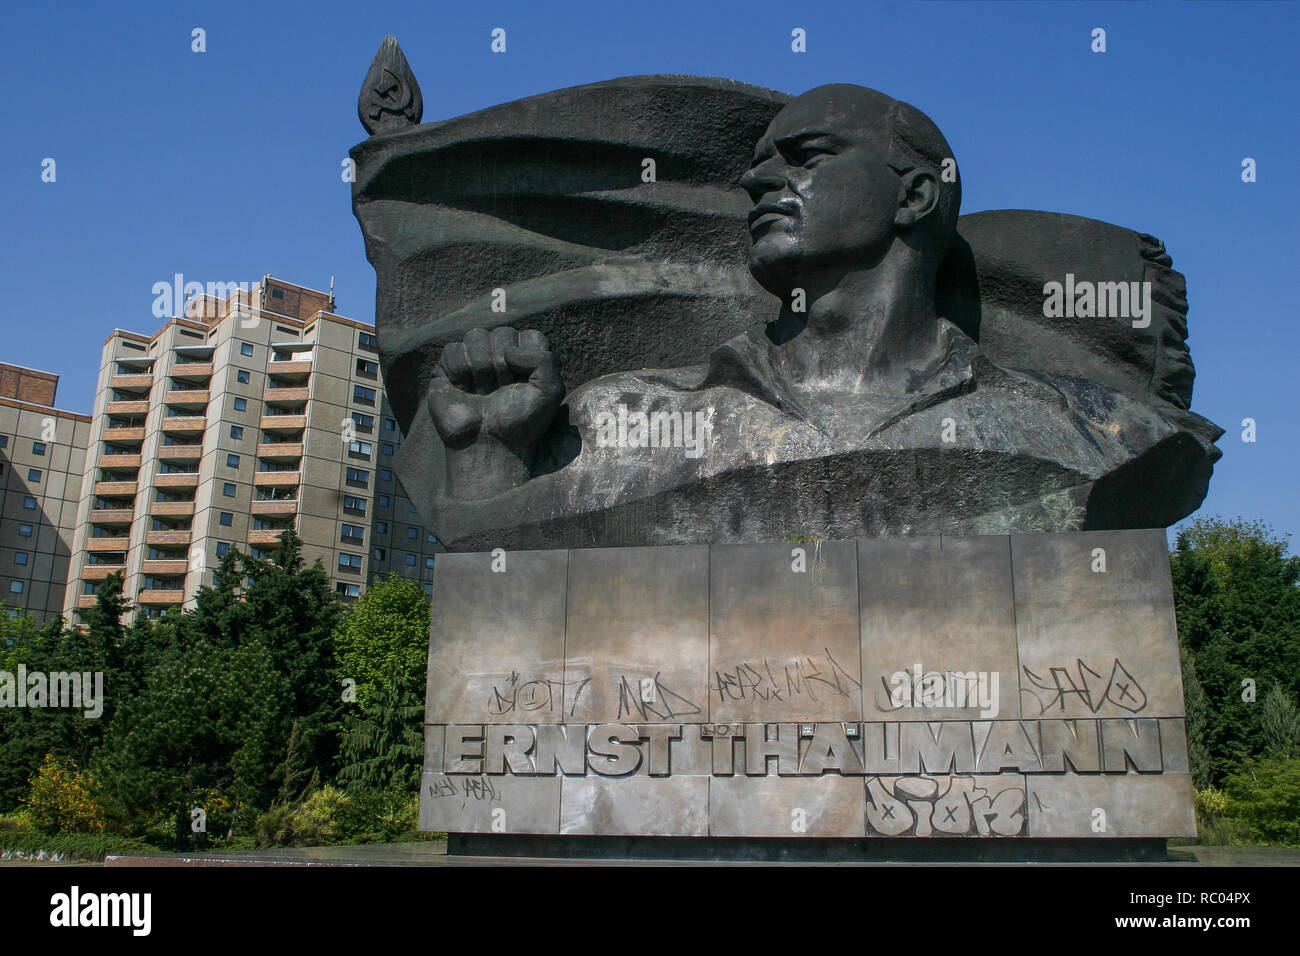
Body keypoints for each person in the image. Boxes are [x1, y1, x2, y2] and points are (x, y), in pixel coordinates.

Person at [422, 84, 1219, 550]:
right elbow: (511, 600)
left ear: (914, 195)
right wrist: (488, 458)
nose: (756, 181)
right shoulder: (624, 421)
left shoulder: (1096, 433)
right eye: (761, 163)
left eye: (806, 157)